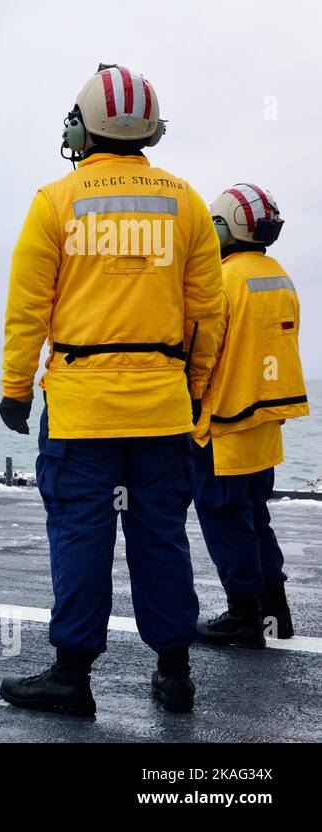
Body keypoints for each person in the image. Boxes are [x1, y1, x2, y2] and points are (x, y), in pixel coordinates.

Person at [0, 64, 226, 717]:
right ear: (150, 127)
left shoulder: (55, 202)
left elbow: (28, 311)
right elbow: (207, 314)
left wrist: (17, 389)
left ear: (83, 123)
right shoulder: (185, 202)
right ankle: (175, 673)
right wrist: (196, 393)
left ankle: (72, 676)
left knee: (81, 539)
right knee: (161, 537)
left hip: (80, 411)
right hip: (161, 409)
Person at [192, 184, 308, 648]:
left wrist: (185, 400)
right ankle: (274, 613)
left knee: (225, 519)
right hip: (266, 427)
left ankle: (243, 614)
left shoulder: (222, 279)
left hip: (224, 423)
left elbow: (203, 353)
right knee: (256, 517)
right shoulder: (278, 275)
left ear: (226, 227)